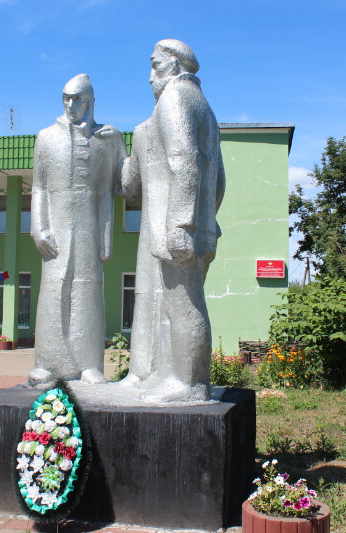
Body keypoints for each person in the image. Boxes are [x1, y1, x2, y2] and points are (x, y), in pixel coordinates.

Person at [120, 39, 226, 402]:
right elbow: (219, 179)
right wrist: (205, 218)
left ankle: (190, 384)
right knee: (181, 304)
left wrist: (181, 224)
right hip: (199, 223)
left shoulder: (174, 97)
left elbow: (183, 161)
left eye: (156, 65)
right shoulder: (205, 106)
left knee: (184, 305)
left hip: (181, 227)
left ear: (177, 65)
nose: (150, 76)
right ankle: (173, 377)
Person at [28, 73, 127, 387]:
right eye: (66, 98)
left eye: (78, 99)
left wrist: (119, 144)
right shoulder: (46, 137)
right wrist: (38, 228)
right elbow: (39, 187)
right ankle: (47, 364)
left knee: (88, 292)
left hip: (90, 227)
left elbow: (125, 185)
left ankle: (89, 365)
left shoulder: (105, 139)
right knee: (53, 292)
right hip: (56, 229)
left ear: (91, 101)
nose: (71, 104)